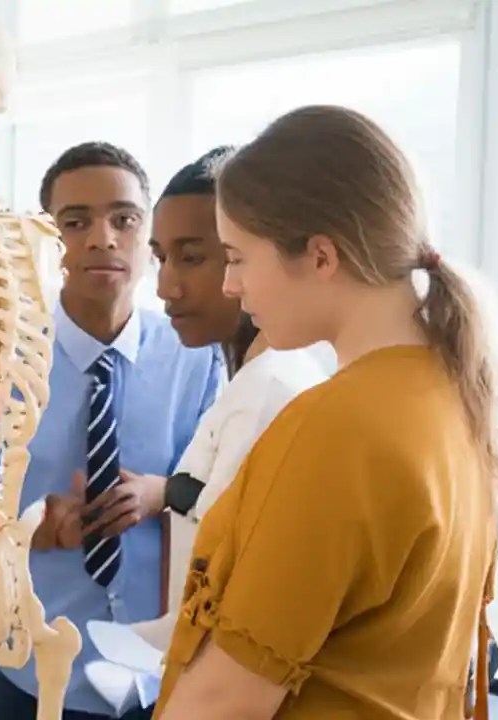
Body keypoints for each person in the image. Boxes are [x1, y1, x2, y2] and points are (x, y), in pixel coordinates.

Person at [154, 105, 498, 720]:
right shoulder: (451, 395)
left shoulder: (334, 428)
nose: (230, 286)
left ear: (321, 257)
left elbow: (227, 698)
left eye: (238, 258)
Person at [0, 141, 222, 720]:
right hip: (35, 670)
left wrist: (161, 493)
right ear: (49, 237)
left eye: (124, 219)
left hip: (158, 670)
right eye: (75, 222)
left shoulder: (197, 354)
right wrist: (28, 528)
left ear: (149, 236)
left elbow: (226, 485)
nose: (102, 238)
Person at [85, 146, 330, 670]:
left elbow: (241, 607)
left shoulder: (270, 391)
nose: (165, 286)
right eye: (161, 258)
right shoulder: (250, 382)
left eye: (192, 257)